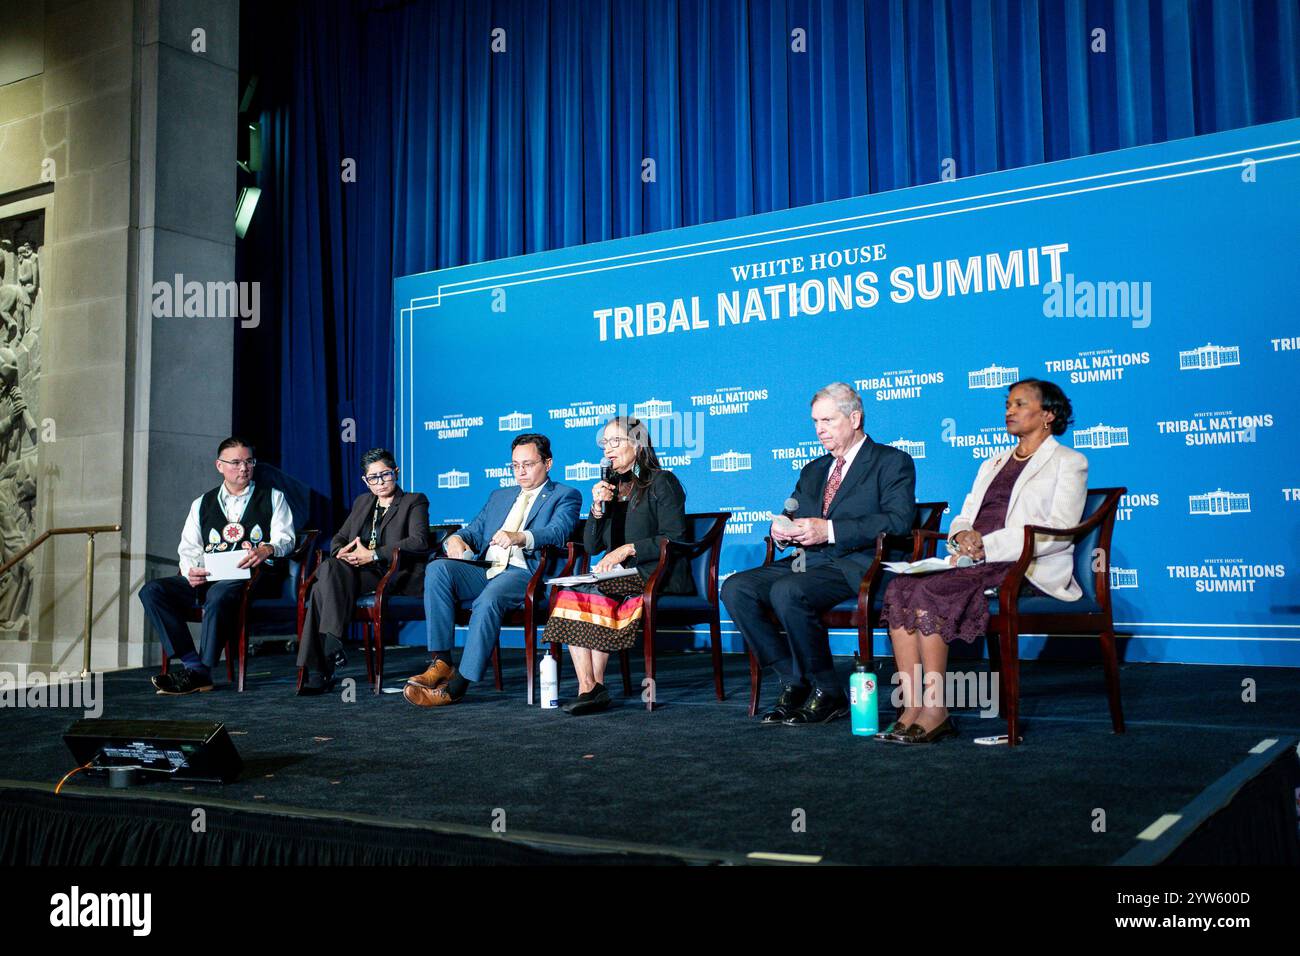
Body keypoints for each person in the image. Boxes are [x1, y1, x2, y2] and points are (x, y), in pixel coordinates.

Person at [877, 379, 1087, 745]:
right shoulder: (993, 462)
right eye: (1008, 403)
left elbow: (1059, 529)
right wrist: (961, 536)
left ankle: (936, 709)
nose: (1010, 410)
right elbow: (965, 514)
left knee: (932, 591)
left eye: (1020, 404)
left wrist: (985, 545)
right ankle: (911, 708)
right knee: (900, 587)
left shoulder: (1069, 462)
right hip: (976, 559)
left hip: (1024, 566)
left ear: (1048, 415)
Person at [721, 383, 916, 725]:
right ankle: (793, 680)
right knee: (736, 588)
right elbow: (792, 511)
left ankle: (829, 691)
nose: (819, 429)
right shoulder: (813, 469)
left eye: (827, 420)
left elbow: (898, 521)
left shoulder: (891, 461)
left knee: (788, 590)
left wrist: (830, 530)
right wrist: (780, 529)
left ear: (855, 418)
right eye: (815, 421)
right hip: (807, 561)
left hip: (858, 564)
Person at [404, 433, 580, 708]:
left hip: (526, 572)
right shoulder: (500, 496)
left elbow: (558, 531)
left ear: (548, 463)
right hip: (488, 568)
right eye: (515, 465)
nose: (520, 471)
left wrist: (520, 537)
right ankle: (441, 661)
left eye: (528, 464)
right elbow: (472, 531)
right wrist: (457, 539)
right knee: (438, 569)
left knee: (488, 599)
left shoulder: (565, 495)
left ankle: (458, 685)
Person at [542, 416, 693, 715]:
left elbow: (675, 537)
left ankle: (592, 689)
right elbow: (594, 546)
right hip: (620, 577)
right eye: (604, 444)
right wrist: (597, 509)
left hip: (656, 574)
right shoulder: (613, 486)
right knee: (572, 593)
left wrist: (627, 549)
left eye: (615, 442)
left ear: (637, 444)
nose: (607, 451)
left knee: (590, 592)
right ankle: (590, 687)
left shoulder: (662, 481)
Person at [140, 437, 295, 694]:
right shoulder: (201, 503)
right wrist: (191, 571)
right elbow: (189, 547)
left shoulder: (273, 497)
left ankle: (200, 672)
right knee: (152, 591)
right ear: (219, 466)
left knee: (219, 593)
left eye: (249, 462)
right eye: (235, 462)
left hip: (249, 577)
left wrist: (267, 548)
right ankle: (193, 665)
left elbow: (286, 539)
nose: (243, 468)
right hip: (209, 574)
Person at [296, 448, 429, 695]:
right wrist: (342, 551)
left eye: (385, 475)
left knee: (319, 587)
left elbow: (419, 541)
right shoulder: (362, 502)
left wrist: (374, 553)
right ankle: (329, 649)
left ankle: (321, 666)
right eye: (372, 478)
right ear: (365, 481)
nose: (379, 483)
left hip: (390, 574)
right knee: (330, 569)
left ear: (396, 473)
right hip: (354, 572)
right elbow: (339, 537)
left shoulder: (414, 500)